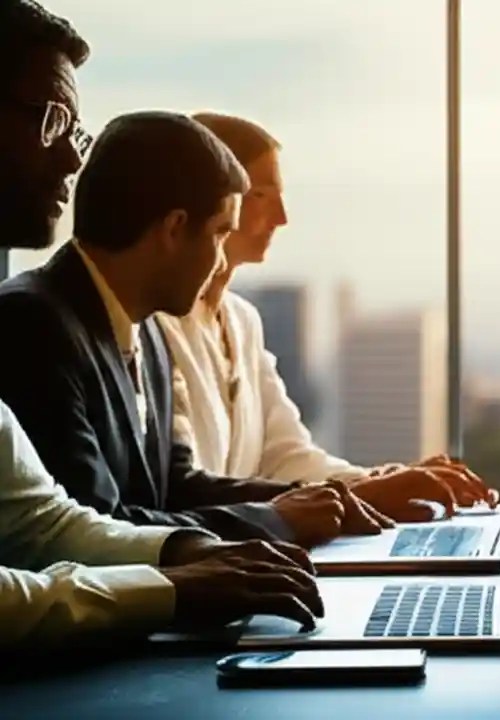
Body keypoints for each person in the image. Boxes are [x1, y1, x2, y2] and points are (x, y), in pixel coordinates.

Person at [0, 0, 320, 648]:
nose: (71, 160)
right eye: (53, 121)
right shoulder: (29, 322)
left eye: (76, 132)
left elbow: (41, 521)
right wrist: (179, 583)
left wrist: (192, 551)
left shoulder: (146, 333)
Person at [0, 109, 395, 548]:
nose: (222, 261)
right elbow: (96, 526)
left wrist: (316, 500)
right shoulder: (31, 325)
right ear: (174, 229)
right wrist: (275, 520)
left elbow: (175, 485)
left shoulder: (144, 327)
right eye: (221, 234)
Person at [155, 111, 493, 521]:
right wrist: (366, 492)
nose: (282, 217)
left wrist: (385, 481)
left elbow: (287, 456)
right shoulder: (156, 326)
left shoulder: (243, 321)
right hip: (223, 553)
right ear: (216, 200)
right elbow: (183, 487)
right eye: (261, 195)